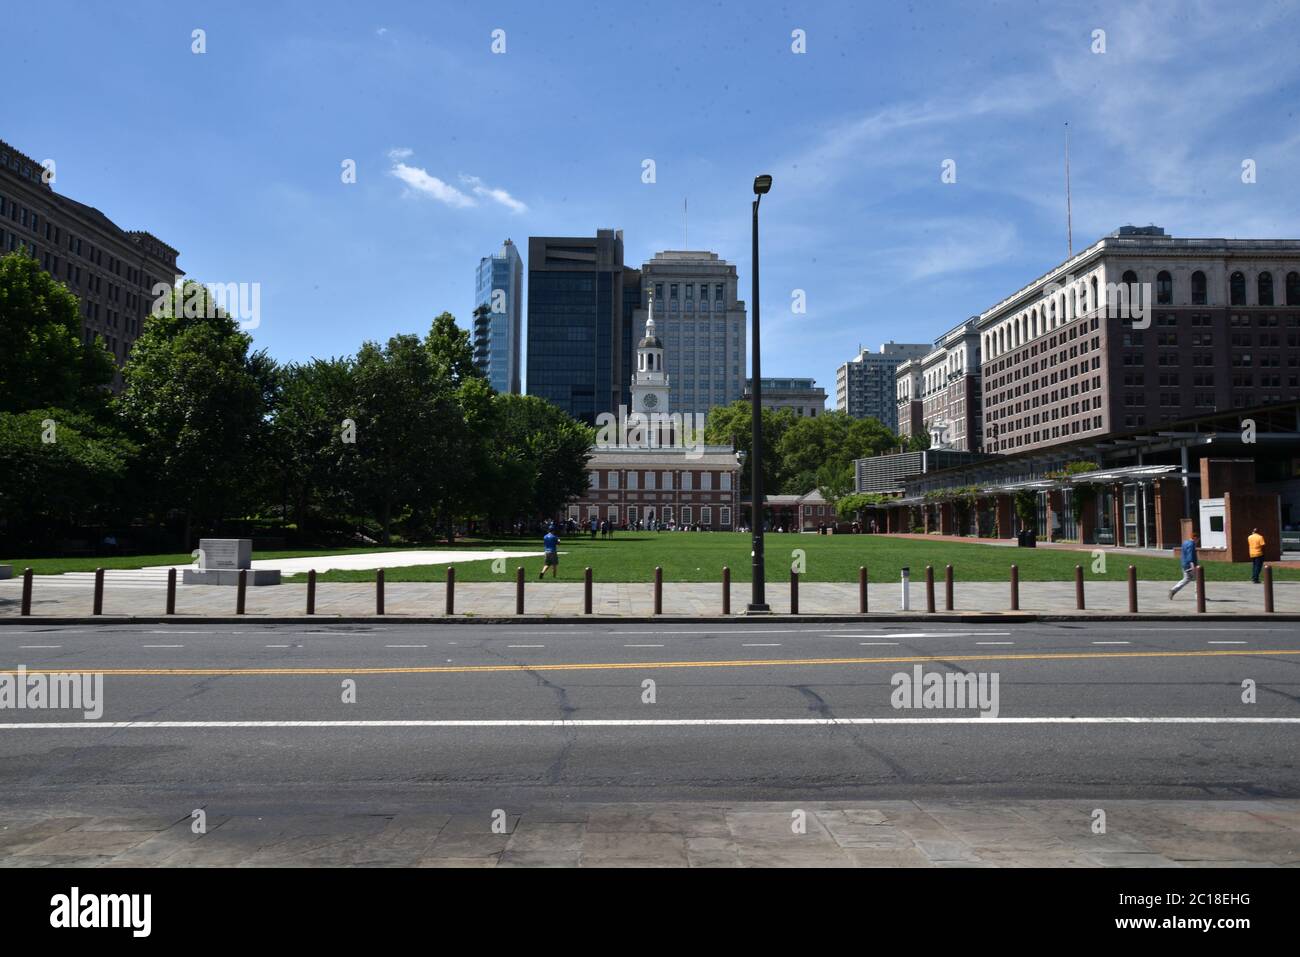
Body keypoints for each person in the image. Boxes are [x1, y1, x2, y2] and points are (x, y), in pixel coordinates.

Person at [1170, 534, 1199, 599]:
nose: (1197, 541)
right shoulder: (1191, 544)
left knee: (1186, 579)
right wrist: (1192, 566)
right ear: (1195, 538)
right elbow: (1190, 555)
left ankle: (1174, 590)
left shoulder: (1185, 542)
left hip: (1184, 564)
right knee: (1198, 579)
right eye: (1197, 540)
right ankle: (1198, 595)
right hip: (1190, 565)